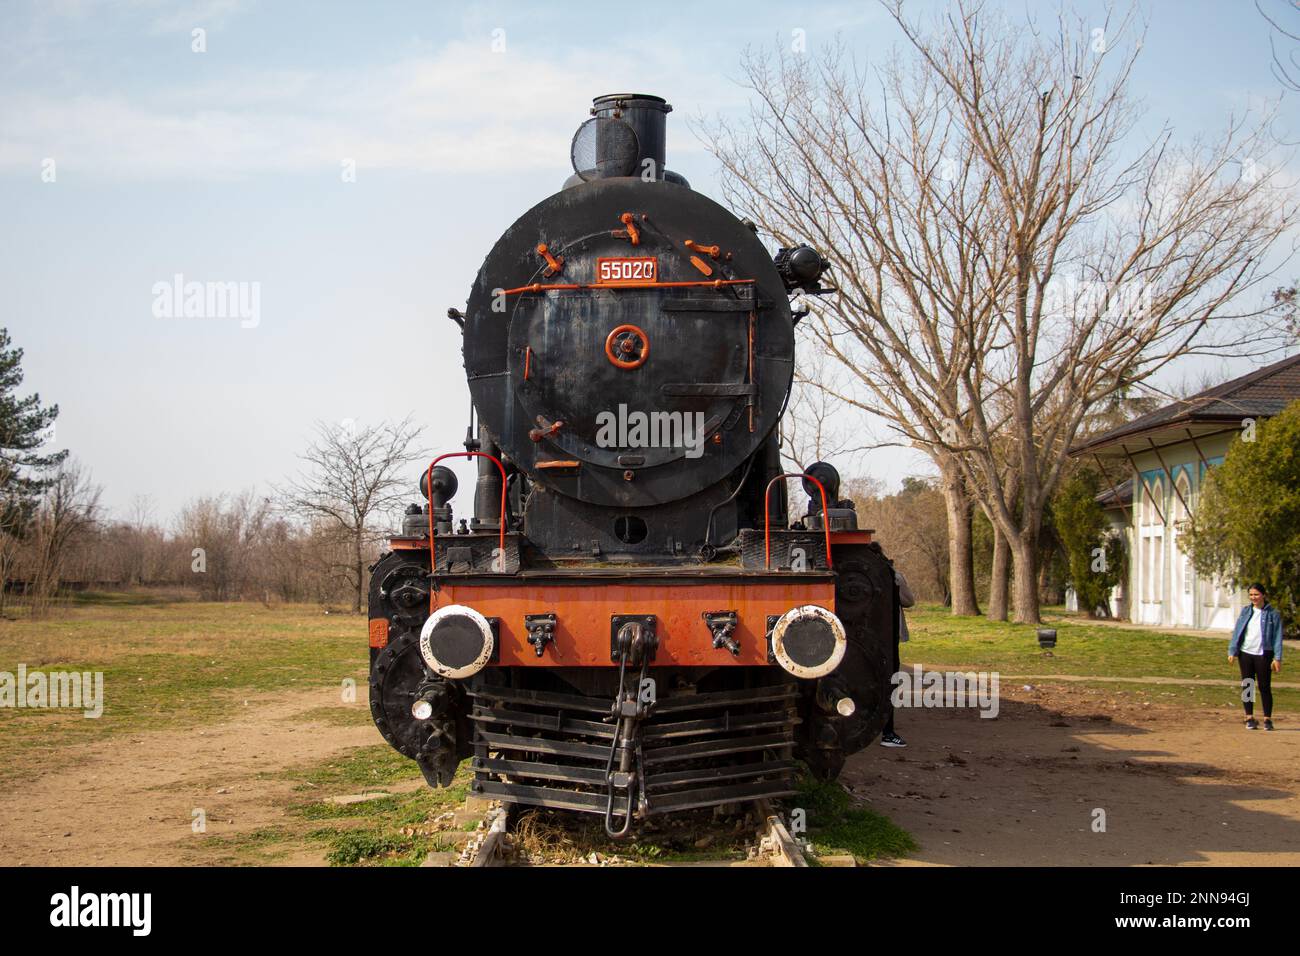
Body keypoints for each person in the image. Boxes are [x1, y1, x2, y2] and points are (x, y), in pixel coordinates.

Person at [1228, 583, 1283, 730]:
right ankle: (1249, 717)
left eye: (1256, 594)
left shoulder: (1273, 614)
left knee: (1265, 686)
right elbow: (1237, 631)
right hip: (1246, 653)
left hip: (1263, 654)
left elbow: (1277, 637)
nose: (1253, 597)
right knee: (1248, 684)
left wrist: (1277, 658)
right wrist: (1232, 651)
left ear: (1263, 595)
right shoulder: (1246, 611)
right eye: (1251, 595)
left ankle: (1267, 719)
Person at [880, 568, 914, 748]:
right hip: (889, 635)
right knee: (890, 681)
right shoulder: (893, 575)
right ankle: (887, 732)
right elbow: (909, 601)